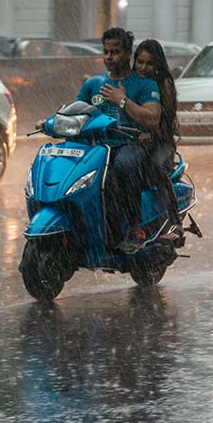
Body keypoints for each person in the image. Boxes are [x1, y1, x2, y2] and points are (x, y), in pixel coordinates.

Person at [76, 28, 162, 254]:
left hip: (131, 146)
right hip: (99, 148)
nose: (108, 57)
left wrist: (122, 100)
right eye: (105, 51)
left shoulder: (144, 85)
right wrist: (48, 121)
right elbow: (75, 112)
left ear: (127, 54)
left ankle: (136, 229)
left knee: (123, 165)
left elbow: (152, 117)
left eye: (115, 52)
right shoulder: (93, 84)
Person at [132, 40, 183, 240]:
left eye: (149, 63)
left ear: (157, 65)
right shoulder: (130, 82)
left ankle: (175, 221)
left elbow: (167, 120)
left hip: (161, 143)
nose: (144, 68)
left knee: (154, 168)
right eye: (140, 62)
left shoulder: (164, 84)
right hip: (134, 142)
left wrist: (151, 135)